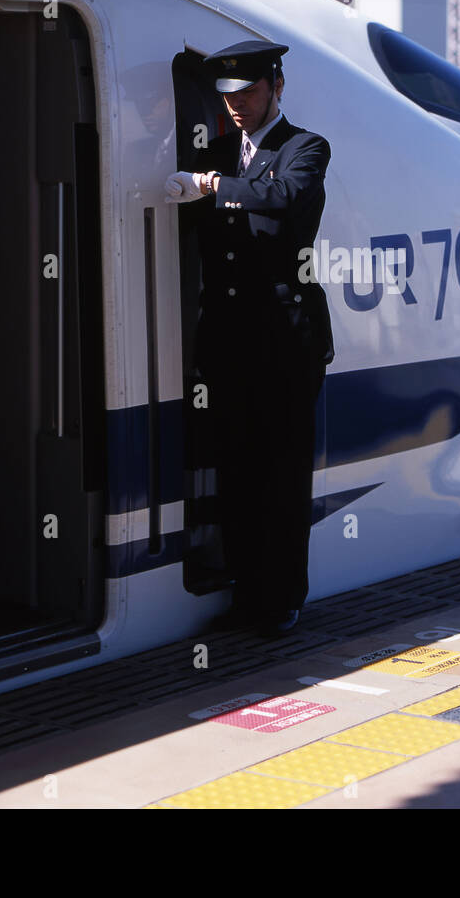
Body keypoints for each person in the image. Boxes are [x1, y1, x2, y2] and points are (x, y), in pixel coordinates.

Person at [164, 40, 333, 637]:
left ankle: (281, 599)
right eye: (228, 97)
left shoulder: (303, 148)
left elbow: (285, 199)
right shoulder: (214, 151)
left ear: (276, 87)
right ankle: (245, 594)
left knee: (281, 473)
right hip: (229, 336)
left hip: (285, 336)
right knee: (236, 468)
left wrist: (213, 186)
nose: (237, 106)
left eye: (249, 93)